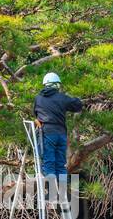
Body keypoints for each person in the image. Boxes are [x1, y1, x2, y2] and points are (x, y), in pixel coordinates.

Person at [32, 71, 83, 200]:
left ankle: (51, 193)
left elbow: (35, 113)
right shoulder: (62, 97)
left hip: (47, 132)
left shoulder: (38, 98)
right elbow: (78, 105)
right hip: (60, 134)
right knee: (60, 163)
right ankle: (62, 192)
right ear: (56, 85)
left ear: (45, 84)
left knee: (49, 162)